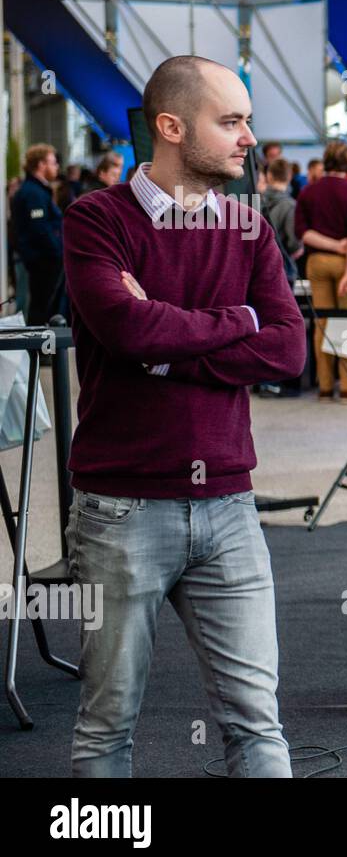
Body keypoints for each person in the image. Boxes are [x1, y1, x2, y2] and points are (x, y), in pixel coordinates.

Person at [61, 54, 305, 777]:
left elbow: (288, 352)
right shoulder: (94, 219)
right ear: (170, 126)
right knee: (106, 725)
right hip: (118, 505)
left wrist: (169, 344)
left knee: (259, 725)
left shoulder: (250, 229)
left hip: (229, 503)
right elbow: (127, 333)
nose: (248, 139)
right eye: (230, 121)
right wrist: (237, 320)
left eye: (248, 122)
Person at [295, 140, 347, 400]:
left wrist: (331, 245)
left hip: (318, 263)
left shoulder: (308, 192)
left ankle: (324, 386)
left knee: (321, 322)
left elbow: (303, 234)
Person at [12, 143, 65, 324]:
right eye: (53, 162)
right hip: (43, 260)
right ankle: (38, 350)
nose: (56, 166)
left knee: (44, 307)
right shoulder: (33, 193)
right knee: (41, 308)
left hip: (44, 259)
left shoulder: (37, 190)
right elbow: (40, 229)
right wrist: (59, 251)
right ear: (41, 165)